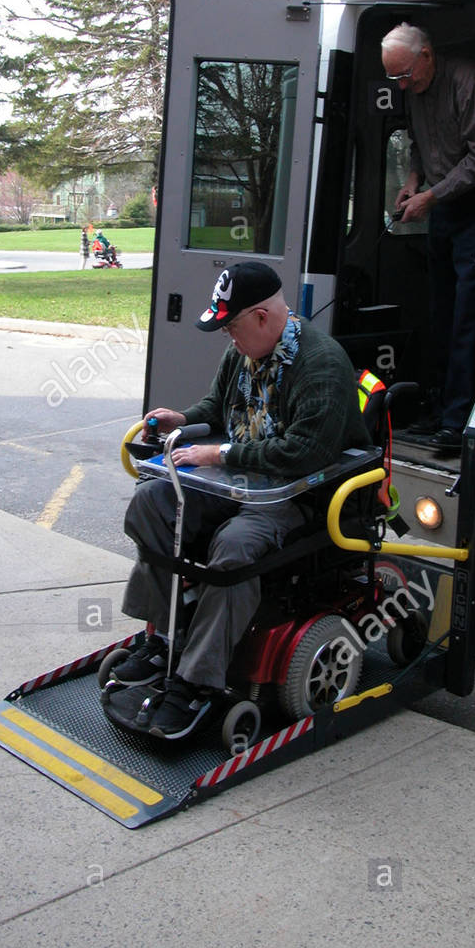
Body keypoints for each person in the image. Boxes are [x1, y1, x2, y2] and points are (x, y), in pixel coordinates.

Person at [108, 261, 371, 739]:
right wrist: (181, 418)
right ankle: (164, 637)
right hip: (235, 483)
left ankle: (197, 681)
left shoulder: (322, 364)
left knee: (234, 547)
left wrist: (220, 451)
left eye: (231, 325)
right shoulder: (242, 353)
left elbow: (304, 451)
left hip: (298, 494)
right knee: (150, 503)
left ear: (263, 318)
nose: (227, 336)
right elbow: (217, 408)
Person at [382, 22, 475, 451]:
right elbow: (420, 143)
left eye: (406, 74)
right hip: (441, 201)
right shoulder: (413, 88)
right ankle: (437, 408)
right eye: (394, 78)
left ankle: (460, 421)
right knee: (440, 308)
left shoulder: (468, 81)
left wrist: (432, 196)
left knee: (469, 312)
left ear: (427, 55)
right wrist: (414, 181)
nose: (403, 84)